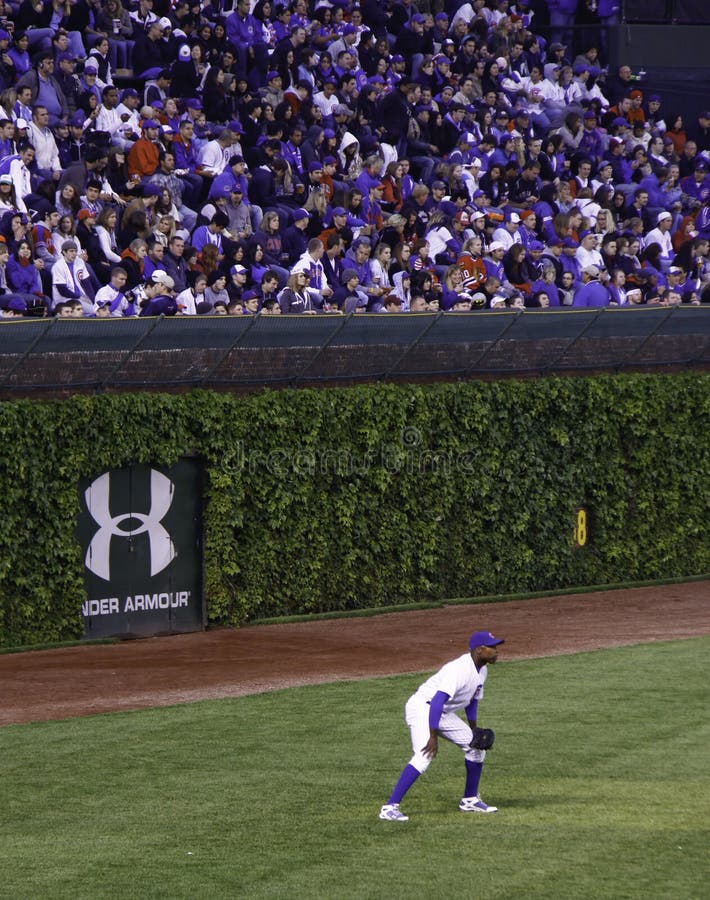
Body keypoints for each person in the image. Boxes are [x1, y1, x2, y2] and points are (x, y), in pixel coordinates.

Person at [379, 629, 504, 822]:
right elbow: (437, 701)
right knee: (424, 754)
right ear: (479, 649)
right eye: (492, 647)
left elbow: (472, 701)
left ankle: (469, 799)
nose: (497, 651)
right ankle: (389, 808)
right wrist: (433, 736)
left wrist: (473, 730)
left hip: (442, 711)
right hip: (423, 707)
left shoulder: (482, 670)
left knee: (476, 748)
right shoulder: (459, 670)